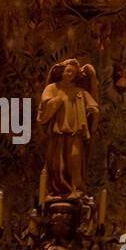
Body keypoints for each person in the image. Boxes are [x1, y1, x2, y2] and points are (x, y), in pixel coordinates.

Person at [37, 60, 99, 197]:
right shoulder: (52, 88)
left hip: (75, 133)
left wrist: (92, 112)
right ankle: (55, 191)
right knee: (56, 165)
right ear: (62, 71)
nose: (70, 74)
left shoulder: (79, 91)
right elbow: (44, 105)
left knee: (75, 160)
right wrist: (56, 101)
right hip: (57, 133)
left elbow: (93, 105)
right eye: (68, 70)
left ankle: (75, 189)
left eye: (73, 72)